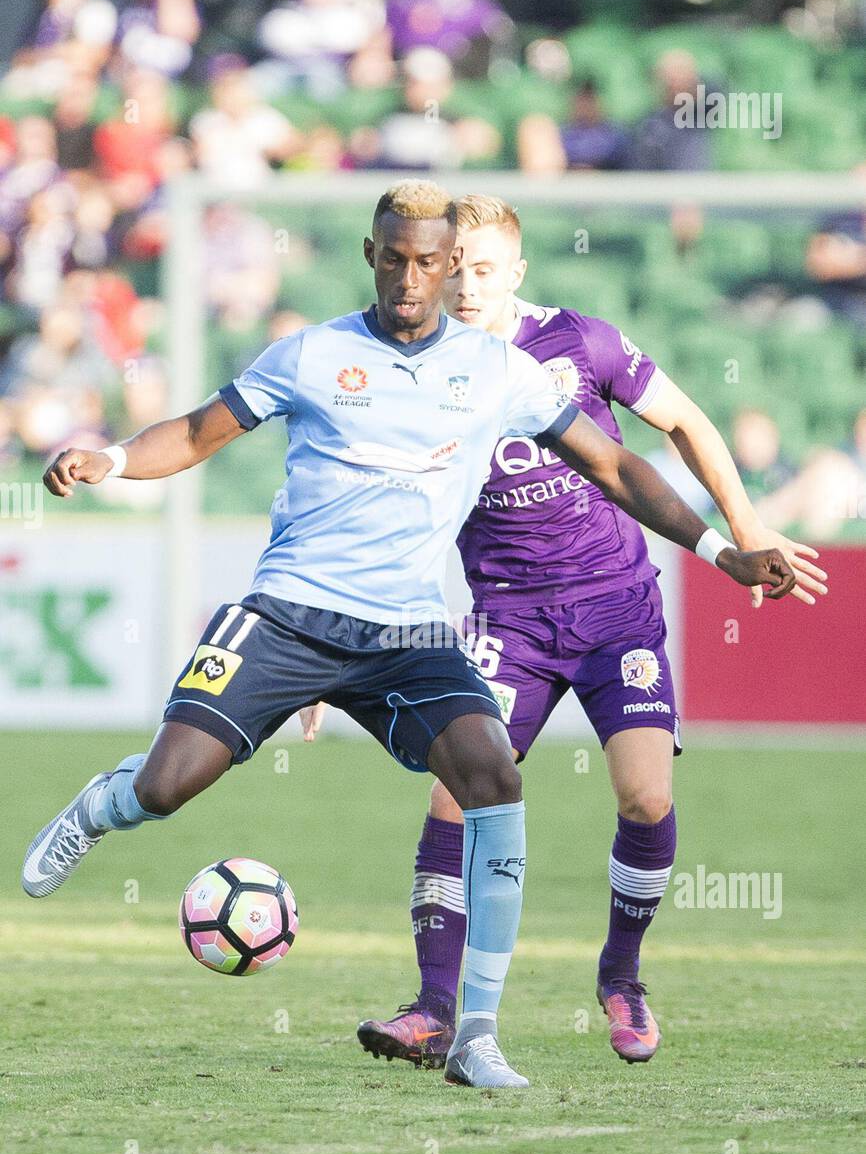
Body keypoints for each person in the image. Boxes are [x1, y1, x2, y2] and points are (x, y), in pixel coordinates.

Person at [23, 180, 795, 1091]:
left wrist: (719, 546)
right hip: (290, 617)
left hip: (411, 636)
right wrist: (108, 458)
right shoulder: (311, 355)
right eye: (398, 258)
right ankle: (100, 808)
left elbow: (616, 463)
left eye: (435, 261)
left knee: (491, 780)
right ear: (371, 255)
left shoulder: (502, 369)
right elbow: (196, 431)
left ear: (458, 266)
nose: (417, 277)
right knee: (167, 784)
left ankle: (472, 1032)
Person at [324, 195, 823, 1072]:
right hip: (507, 619)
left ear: (516, 272)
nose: (466, 287)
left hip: (613, 608)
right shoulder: (419, 368)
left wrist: (744, 533)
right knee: (456, 796)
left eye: (485, 270)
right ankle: (435, 1008)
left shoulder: (581, 344)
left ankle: (621, 976)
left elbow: (687, 423)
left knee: (647, 800)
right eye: (454, 268)